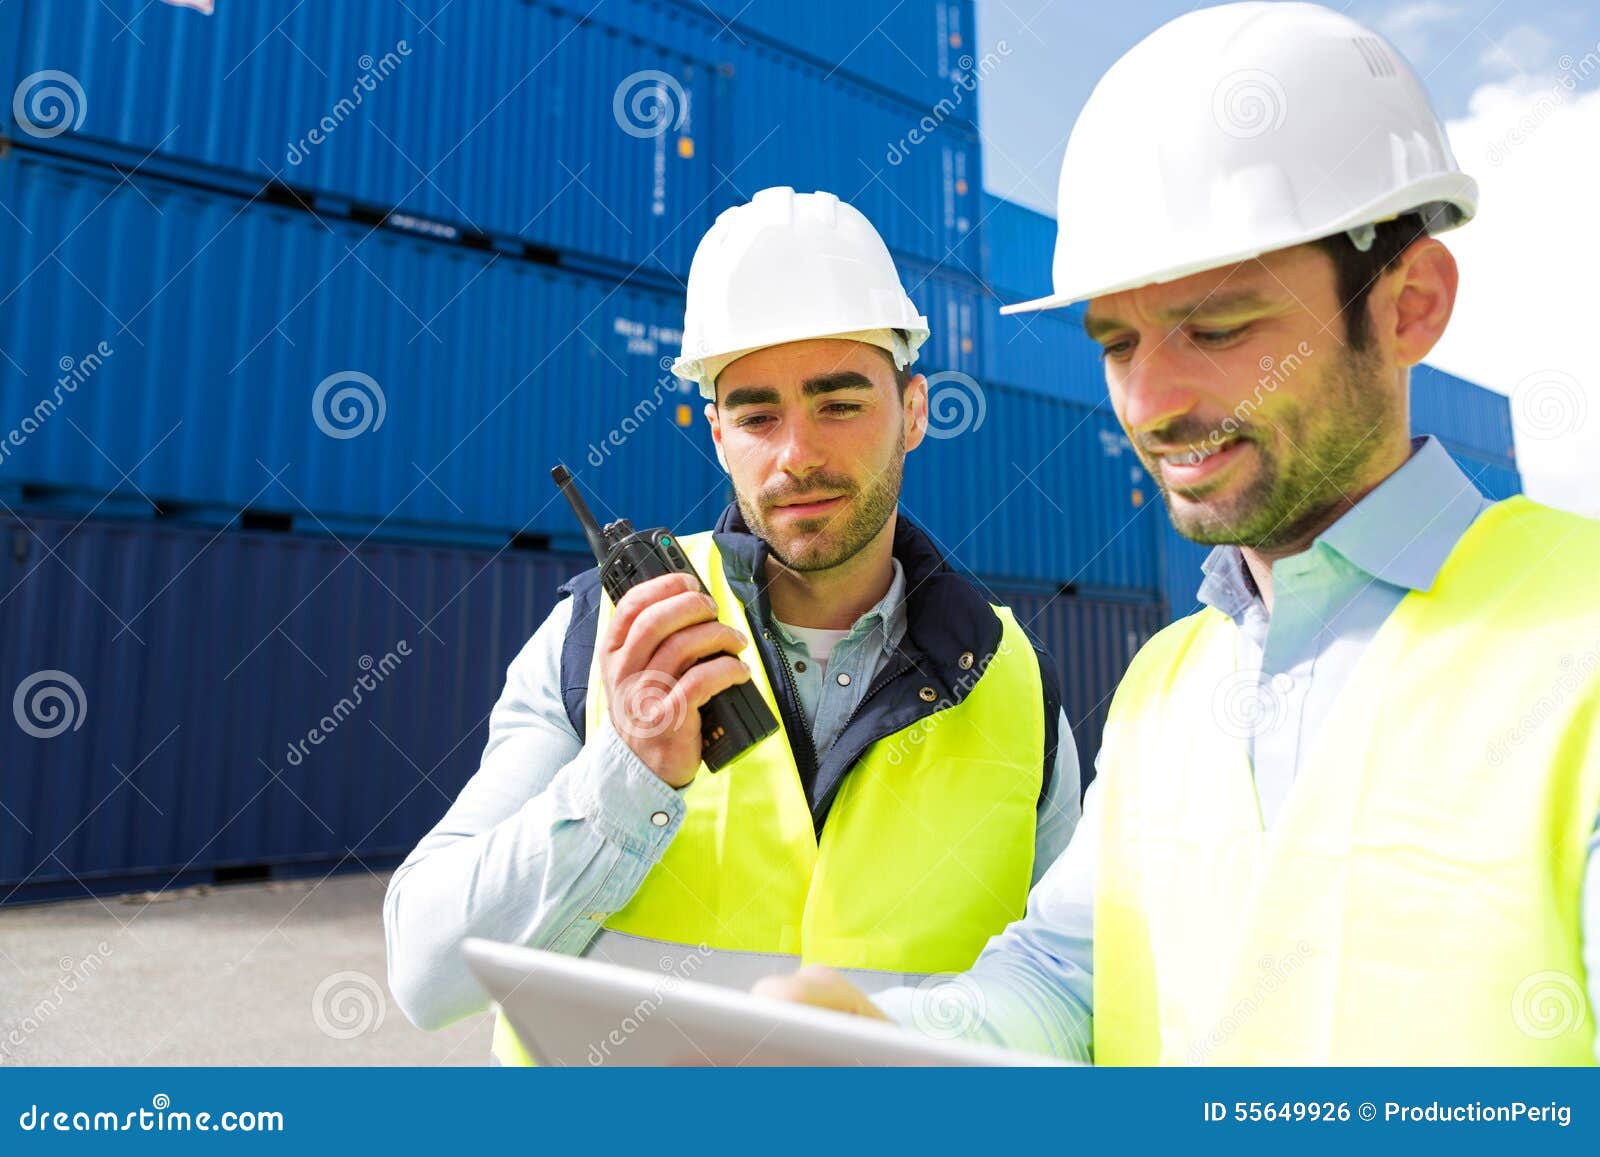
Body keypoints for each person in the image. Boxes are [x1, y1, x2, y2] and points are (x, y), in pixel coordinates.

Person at [756, 2, 1600, 1065]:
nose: (1151, 402)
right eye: (1116, 343)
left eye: (1217, 327)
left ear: (1409, 303)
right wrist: (877, 1039)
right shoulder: (1166, 682)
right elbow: (1071, 980)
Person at [383, 186, 1082, 1064]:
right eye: (758, 415)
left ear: (913, 412)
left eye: (839, 403)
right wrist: (626, 776)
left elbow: (1067, 996)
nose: (797, 454)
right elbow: (425, 971)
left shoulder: (1019, 685)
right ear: (716, 433)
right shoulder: (594, 642)